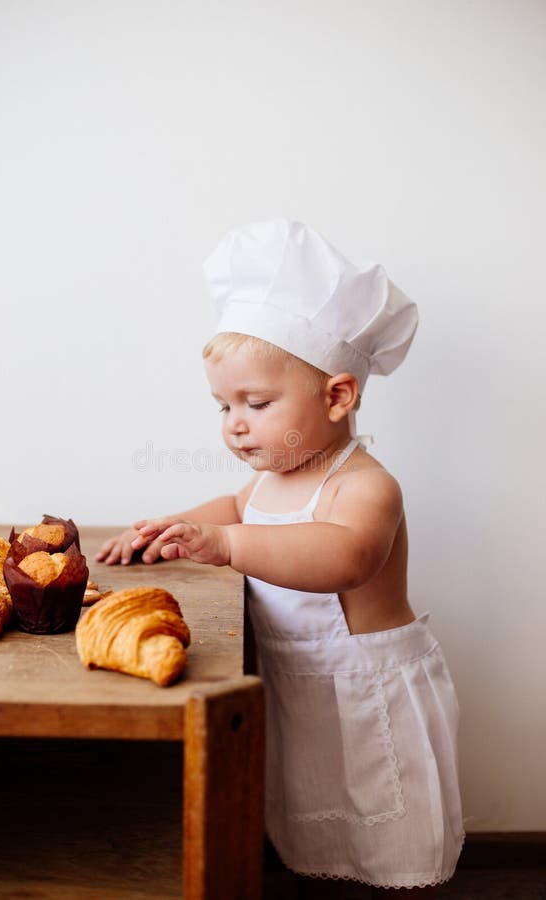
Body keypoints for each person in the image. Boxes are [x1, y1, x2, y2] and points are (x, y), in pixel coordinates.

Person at [96, 220, 464, 896]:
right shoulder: (270, 477)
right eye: (224, 405)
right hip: (301, 690)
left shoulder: (364, 486)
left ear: (337, 397)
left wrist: (228, 548)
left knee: (378, 839)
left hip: (363, 697)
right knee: (312, 830)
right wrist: (168, 528)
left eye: (256, 403)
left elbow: (343, 555)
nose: (234, 423)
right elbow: (235, 510)